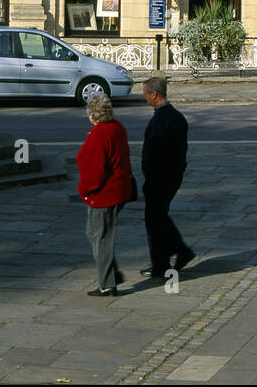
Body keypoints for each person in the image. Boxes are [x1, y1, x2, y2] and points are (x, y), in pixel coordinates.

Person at [76, 92, 132, 297]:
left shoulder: (100, 135)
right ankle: (111, 274)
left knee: (100, 237)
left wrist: (84, 190)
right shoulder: (116, 127)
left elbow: (94, 171)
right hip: (118, 189)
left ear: (92, 115)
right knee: (96, 234)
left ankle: (107, 283)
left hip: (104, 193)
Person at [140, 76, 196, 278]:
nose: (144, 97)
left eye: (145, 94)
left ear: (154, 94)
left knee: (154, 218)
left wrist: (150, 176)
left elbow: (156, 153)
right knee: (158, 217)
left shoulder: (161, 120)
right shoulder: (176, 117)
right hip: (172, 176)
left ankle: (172, 256)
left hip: (159, 178)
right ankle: (164, 260)